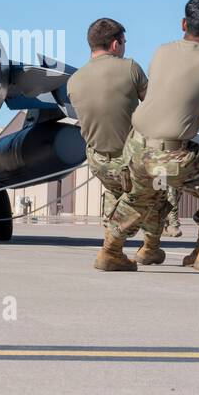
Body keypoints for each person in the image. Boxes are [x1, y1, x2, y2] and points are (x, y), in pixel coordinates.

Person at [104, 0, 199, 274]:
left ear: (183, 23)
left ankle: (110, 251)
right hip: (169, 153)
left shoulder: (161, 50)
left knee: (137, 198)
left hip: (135, 144)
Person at [67, 17, 172, 265]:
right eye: (124, 42)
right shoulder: (130, 68)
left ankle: (117, 248)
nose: (125, 47)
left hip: (99, 160)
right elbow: (153, 103)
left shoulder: (74, 81)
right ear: (115, 45)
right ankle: (146, 248)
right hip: (131, 160)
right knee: (157, 195)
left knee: (116, 195)